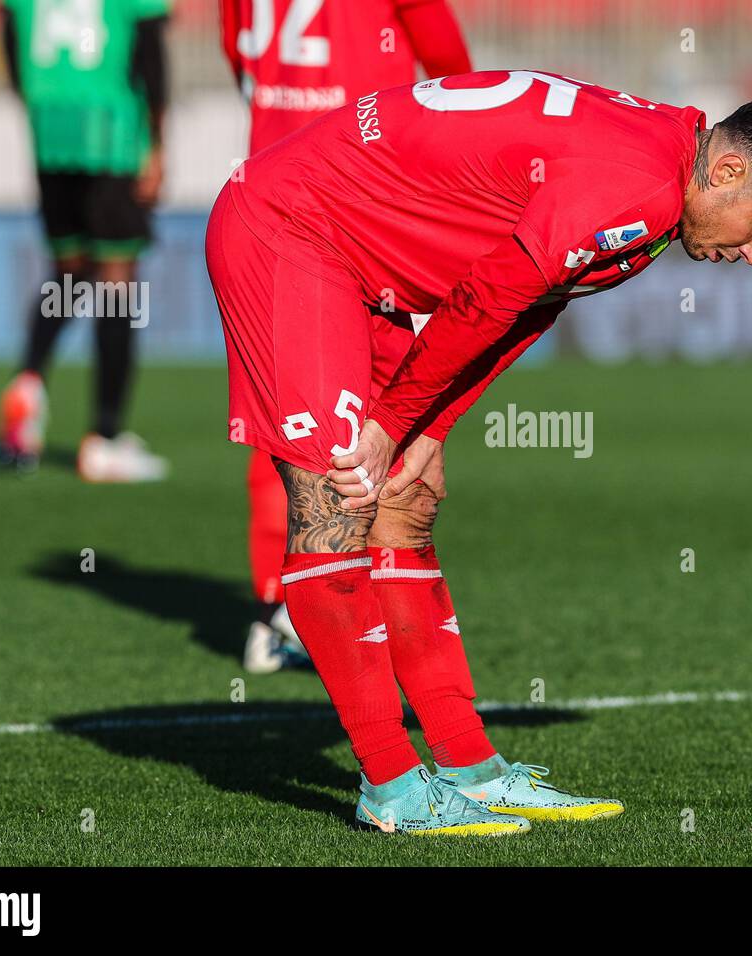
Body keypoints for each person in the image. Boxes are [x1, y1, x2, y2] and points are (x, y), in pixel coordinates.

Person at [205, 71, 752, 835]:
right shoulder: (641, 189)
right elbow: (494, 295)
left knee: (402, 503)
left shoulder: (666, 158)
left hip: (355, 259)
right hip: (292, 231)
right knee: (334, 505)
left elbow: (530, 298)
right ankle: (392, 786)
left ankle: (469, 767)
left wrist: (429, 427)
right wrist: (396, 420)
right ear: (730, 171)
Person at [217, 0, 472, 673]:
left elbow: (239, 53)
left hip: (268, 195)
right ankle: (376, 600)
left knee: (283, 420)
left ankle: (277, 610)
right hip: (368, 198)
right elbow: (451, 69)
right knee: (391, 404)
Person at [0, 0, 170, 482]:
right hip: (109, 132)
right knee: (118, 283)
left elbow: (11, 41)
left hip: (49, 131)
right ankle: (105, 438)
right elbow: (150, 56)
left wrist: (37, 100)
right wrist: (157, 143)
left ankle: (28, 381)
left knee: (70, 272)